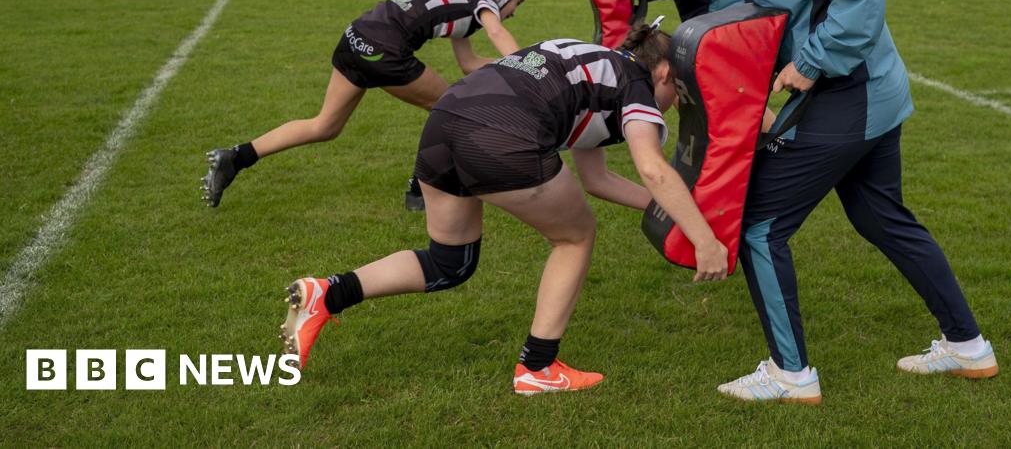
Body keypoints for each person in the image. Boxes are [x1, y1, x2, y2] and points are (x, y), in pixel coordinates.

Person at [673, 0, 997, 404]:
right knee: (883, 219)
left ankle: (791, 375)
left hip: (850, 93)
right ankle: (968, 347)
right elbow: (767, 0)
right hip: (871, 91)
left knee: (760, 228)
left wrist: (814, 60)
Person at [275, 25, 729, 395]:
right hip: (502, 133)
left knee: (449, 261)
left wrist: (672, 214)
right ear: (665, 71)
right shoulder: (635, 84)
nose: (676, 107)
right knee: (575, 237)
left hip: (447, 119)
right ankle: (538, 368)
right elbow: (653, 169)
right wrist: (706, 241)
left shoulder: (595, 65)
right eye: (682, 93)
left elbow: (598, 179)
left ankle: (328, 294)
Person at [202, 0, 530, 208]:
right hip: (384, 49)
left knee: (325, 126)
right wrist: (527, 66)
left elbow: (469, 63)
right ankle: (420, 187)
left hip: (356, 36)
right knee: (449, 107)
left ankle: (236, 157)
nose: (514, 12)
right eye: (517, 2)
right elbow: (497, 33)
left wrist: (513, 65)